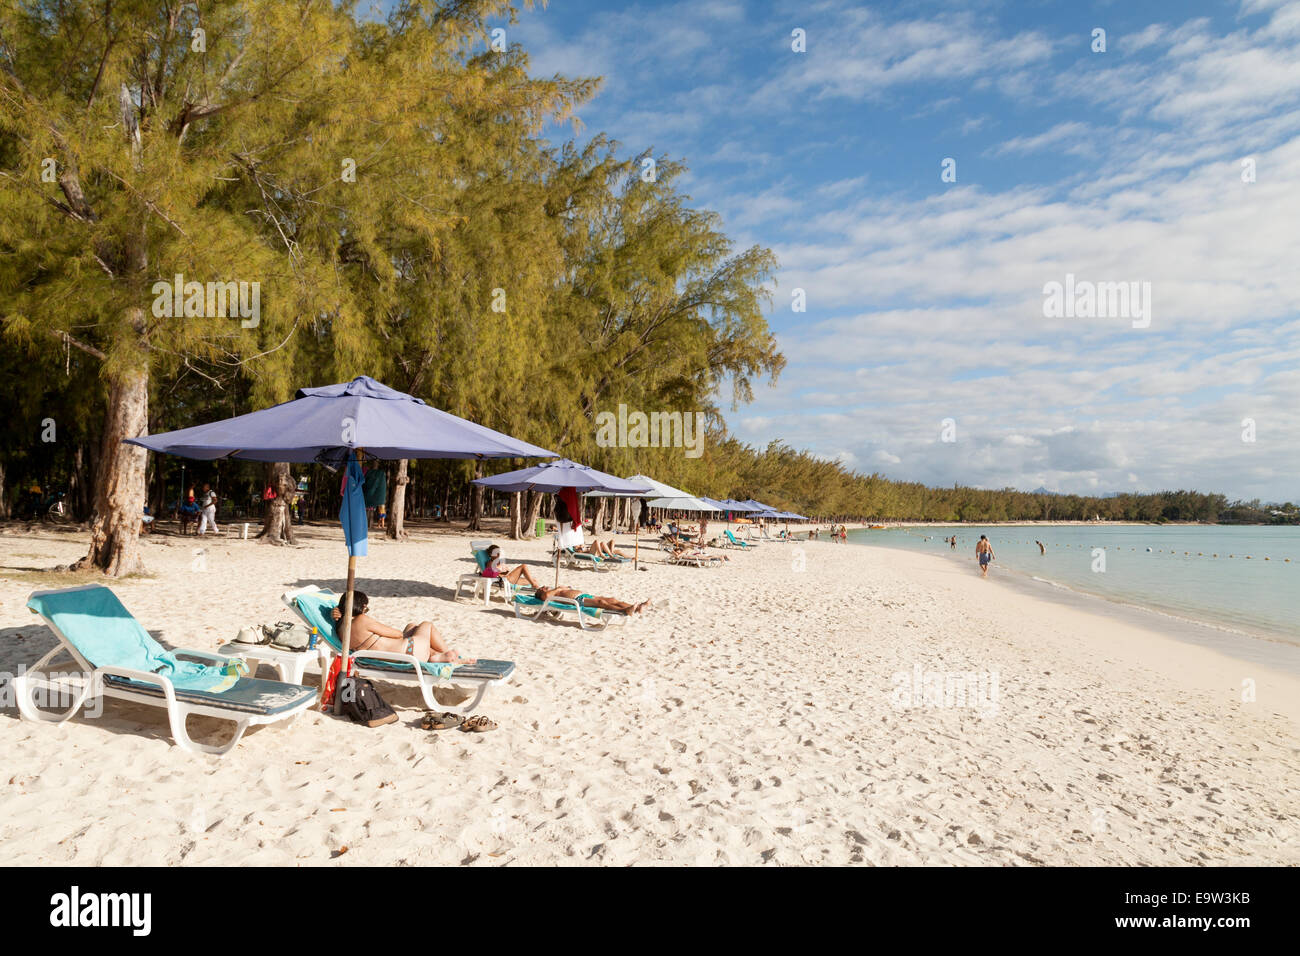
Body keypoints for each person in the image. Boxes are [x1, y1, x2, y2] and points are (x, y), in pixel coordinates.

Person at [329, 591, 474, 664]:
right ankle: (449, 656)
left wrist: (337, 612)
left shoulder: (339, 627)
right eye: (366, 608)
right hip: (411, 652)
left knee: (412, 626)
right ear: (361, 607)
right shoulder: (362, 620)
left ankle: (436, 655)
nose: (366, 611)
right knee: (426, 625)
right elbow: (398, 634)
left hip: (398, 658)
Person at [533, 586, 651, 615]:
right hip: (577, 600)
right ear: (541, 591)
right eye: (542, 588)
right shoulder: (548, 594)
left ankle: (636, 607)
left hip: (583, 595)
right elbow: (546, 596)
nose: (545, 587)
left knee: (612, 599)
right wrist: (559, 588)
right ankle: (625, 611)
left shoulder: (554, 590)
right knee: (602, 604)